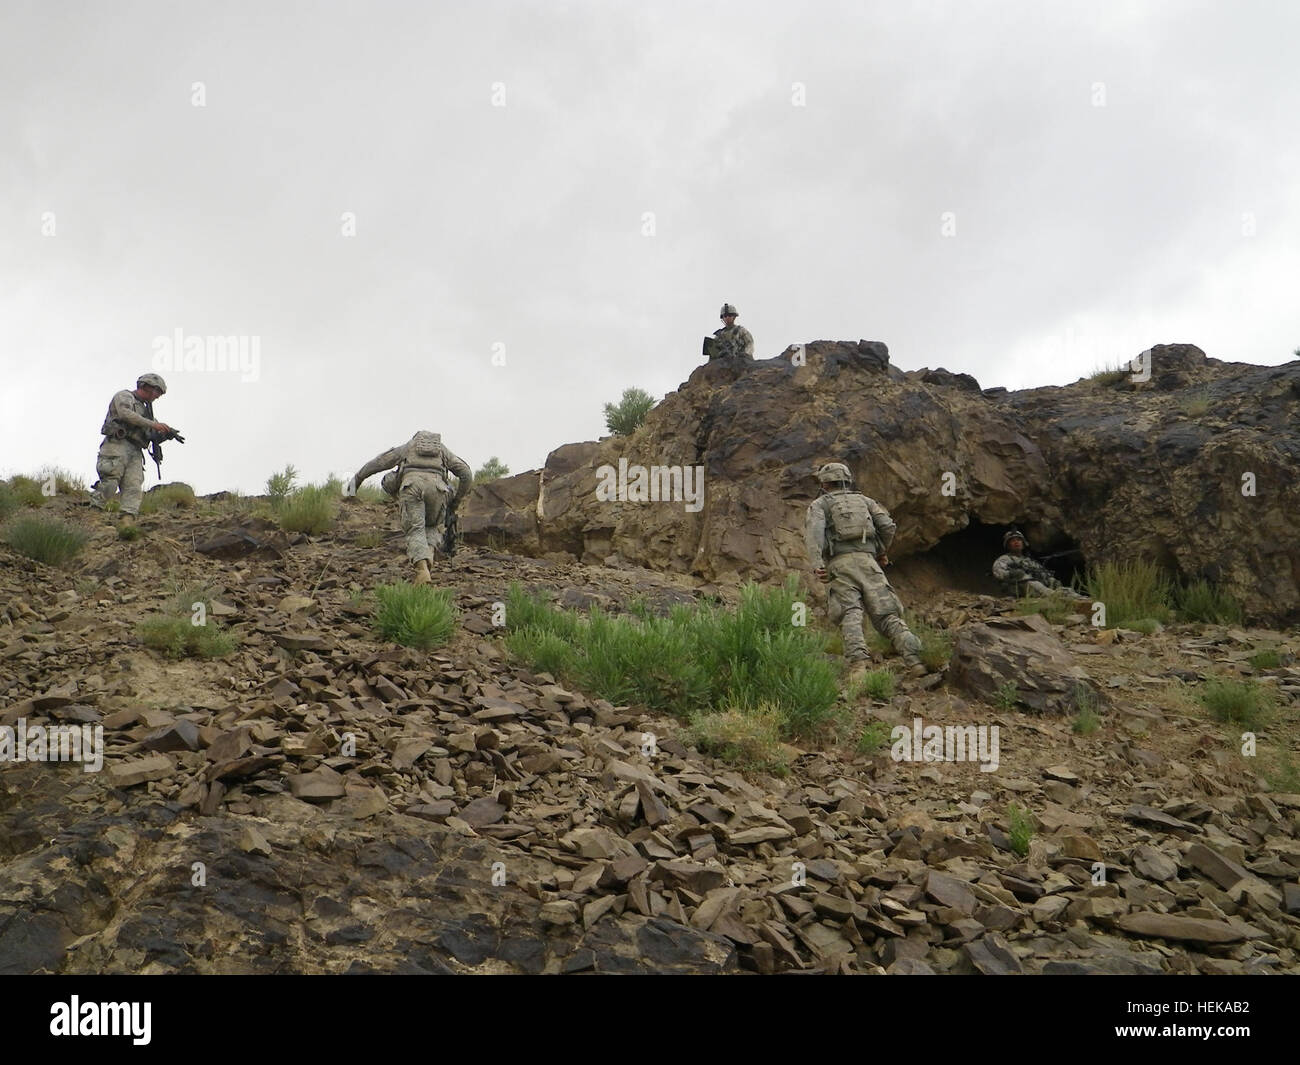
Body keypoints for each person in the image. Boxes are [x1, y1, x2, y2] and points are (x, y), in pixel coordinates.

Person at [805, 462, 929, 679]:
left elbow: (814, 535)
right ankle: (915, 660)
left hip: (840, 565)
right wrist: (880, 550)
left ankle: (859, 667)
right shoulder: (866, 501)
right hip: (869, 562)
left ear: (825, 483)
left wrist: (817, 565)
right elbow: (888, 527)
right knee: (887, 613)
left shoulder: (820, 504)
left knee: (850, 612)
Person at [345, 431, 472, 584]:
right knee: (432, 528)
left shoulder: (407, 448)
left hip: (412, 487)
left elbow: (378, 463)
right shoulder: (443, 451)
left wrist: (356, 481)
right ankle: (427, 563)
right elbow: (466, 474)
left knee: (415, 529)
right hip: (439, 491)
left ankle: (422, 570)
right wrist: (456, 500)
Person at [90, 373, 172, 524]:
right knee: (111, 480)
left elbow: (150, 434)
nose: (157, 396)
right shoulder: (124, 396)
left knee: (133, 486)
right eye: (156, 391)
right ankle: (93, 514)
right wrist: (154, 425)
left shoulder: (147, 413)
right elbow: (126, 414)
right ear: (145, 386)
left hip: (136, 451)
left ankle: (127, 521)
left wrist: (165, 434)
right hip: (117, 444)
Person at [992, 530, 1090, 601]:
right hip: (1019, 588)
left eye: (1019, 540)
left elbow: (1042, 574)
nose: (1016, 542)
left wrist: (1053, 581)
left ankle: (1082, 600)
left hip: (1036, 587)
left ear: (1023, 543)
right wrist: (1014, 574)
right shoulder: (1005, 559)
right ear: (1008, 545)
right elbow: (998, 571)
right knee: (1033, 583)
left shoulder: (1030, 561)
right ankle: (1054, 596)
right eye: (1012, 541)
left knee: (1065, 590)